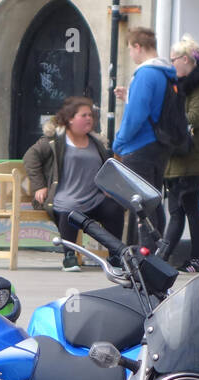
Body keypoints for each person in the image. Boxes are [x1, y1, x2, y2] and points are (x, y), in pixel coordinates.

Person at [23, 97, 125, 271]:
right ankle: (69, 256)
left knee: (114, 207)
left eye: (90, 115)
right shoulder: (54, 141)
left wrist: (110, 188)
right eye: (83, 115)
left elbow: (108, 167)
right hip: (65, 196)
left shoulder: (96, 143)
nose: (89, 119)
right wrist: (40, 185)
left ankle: (115, 255)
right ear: (70, 119)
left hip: (94, 197)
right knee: (69, 208)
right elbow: (30, 158)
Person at [161, 35, 199, 273]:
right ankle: (169, 258)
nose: (171, 63)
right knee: (180, 208)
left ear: (185, 60)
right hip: (179, 157)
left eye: (173, 59)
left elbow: (194, 116)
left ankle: (176, 258)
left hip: (194, 158)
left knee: (186, 207)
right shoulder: (180, 83)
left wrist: (168, 118)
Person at [113, 27, 176, 236]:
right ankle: (156, 253)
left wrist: (119, 142)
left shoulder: (145, 73)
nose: (130, 54)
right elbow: (155, 107)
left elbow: (136, 115)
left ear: (138, 47)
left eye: (130, 48)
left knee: (140, 206)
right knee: (154, 201)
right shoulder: (166, 73)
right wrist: (130, 96)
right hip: (159, 145)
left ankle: (143, 256)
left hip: (139, 146)